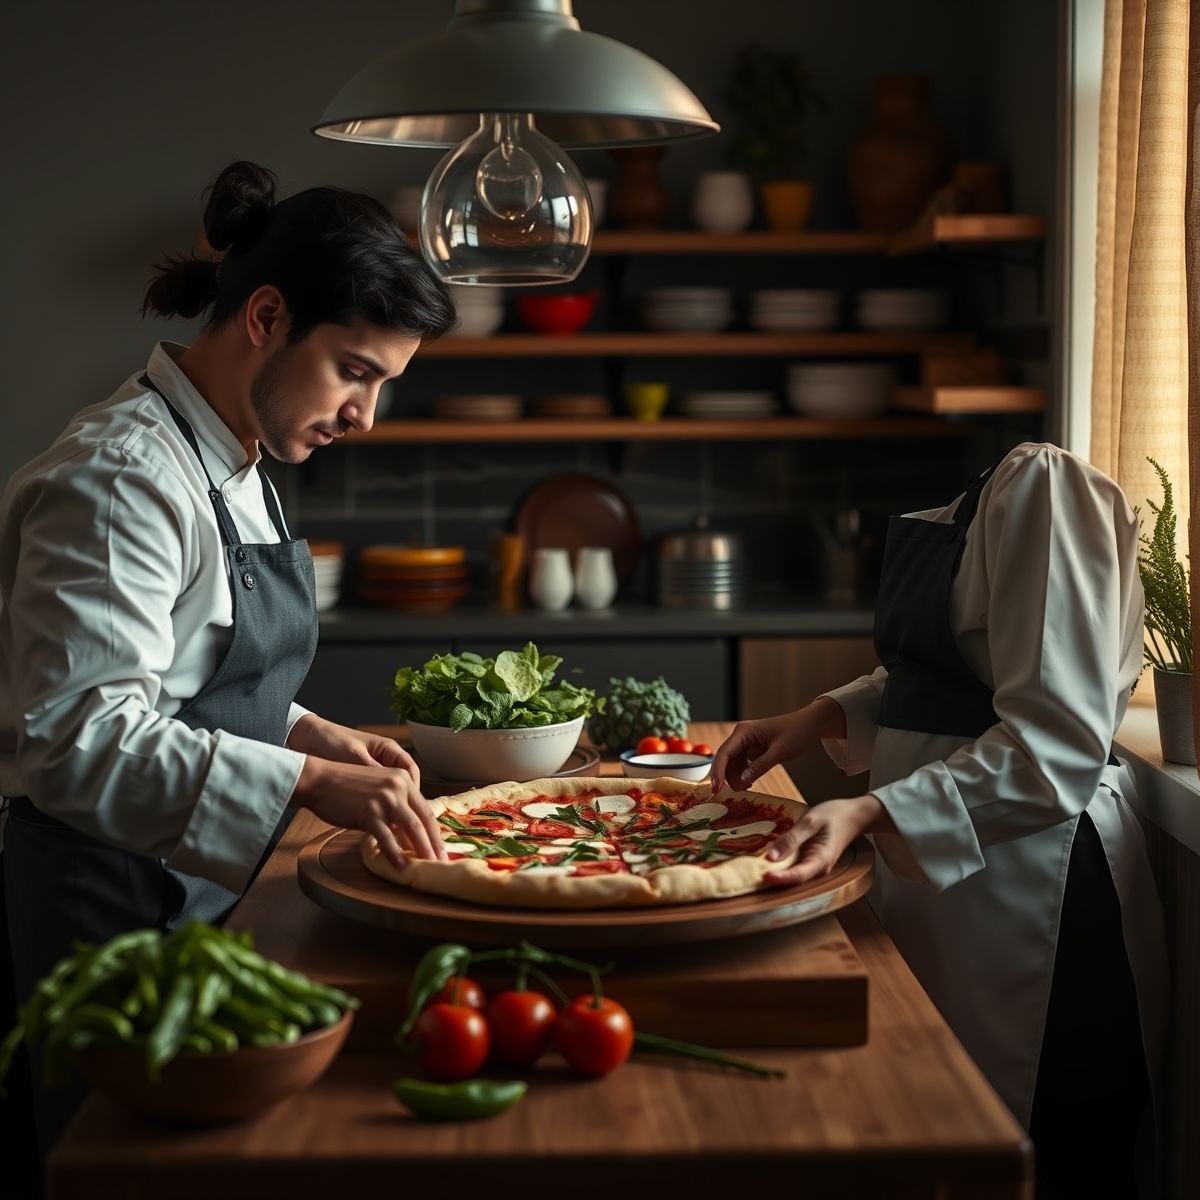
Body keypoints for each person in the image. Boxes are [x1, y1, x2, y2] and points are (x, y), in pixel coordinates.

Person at [0, 160, 455, 1166]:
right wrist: (307, 780)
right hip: (110, 906)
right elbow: (78, 743)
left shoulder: (239, 452)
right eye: (356, 371)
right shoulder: (119, 481)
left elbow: (182, 680)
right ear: (263, 318)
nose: (365, 418)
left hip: (198, 891)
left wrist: (307, 729)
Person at [712, 442, 1168, 1200]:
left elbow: (1053, 746)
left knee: (1039, 1154)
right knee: (946, 1140)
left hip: (1038, 887)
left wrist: (869, 808)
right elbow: (947, 671)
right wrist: (817, 715)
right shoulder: (984, 499)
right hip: (954, 883)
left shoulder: (1044, 489)